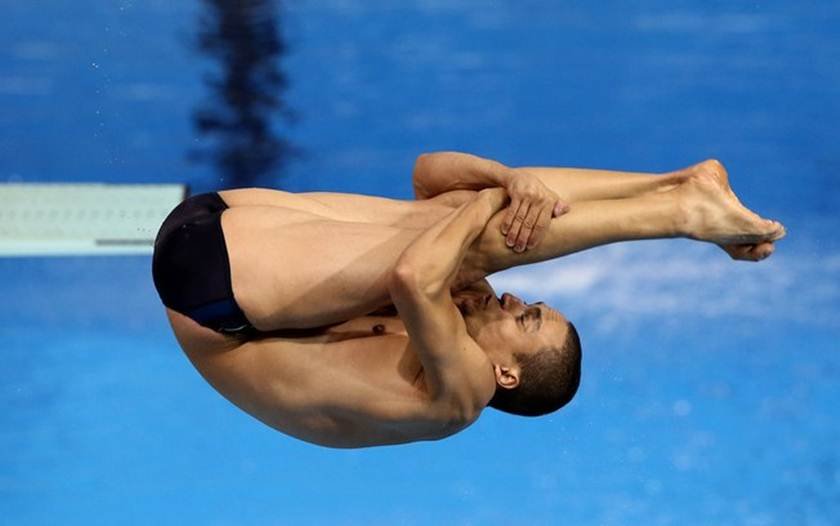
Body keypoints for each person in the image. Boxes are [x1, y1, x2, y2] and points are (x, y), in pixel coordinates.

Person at [152, 152, 784, 448]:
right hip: (222, 217)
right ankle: (676, 182)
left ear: (506, 372)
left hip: (209, 289)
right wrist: (505, 180)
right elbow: (429, 170)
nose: (512, 299)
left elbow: (411, 278)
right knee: (467, 214)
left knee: (479, 236)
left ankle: (682, 213)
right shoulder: (459, 323)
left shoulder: (460, 397)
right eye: (528, 303)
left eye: (527, 317)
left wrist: (497, 198)